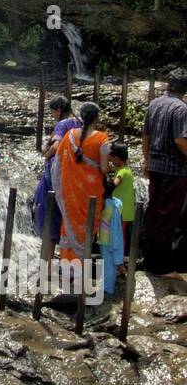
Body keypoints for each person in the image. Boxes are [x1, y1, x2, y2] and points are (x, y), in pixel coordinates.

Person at [51, 101, 110, 265]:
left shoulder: (70, 135)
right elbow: (104, 169)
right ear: (96, 118)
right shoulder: (102, 138)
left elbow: (58, 163)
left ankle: (65, 269)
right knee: (87, 226)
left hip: (71, 190)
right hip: (91, 192)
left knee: (69, 223)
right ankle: (80, 271)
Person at [142, 70, 187, 276]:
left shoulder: (154, 104)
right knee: (167, 217)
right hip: (174, 170)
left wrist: (146, 160)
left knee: (153, 213)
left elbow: (145, 136)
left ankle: (148, 257)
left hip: (155, 167)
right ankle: (160, 266)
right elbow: (180, 140)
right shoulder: (181, 109)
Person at [32, 94, 80, 242]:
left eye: (52, 112)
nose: (52, 116)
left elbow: (57, 144)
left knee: (50, 211)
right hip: (74, 171)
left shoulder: (62, 124)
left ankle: (50, 252)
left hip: (59, 171)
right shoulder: (78, 122)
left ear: (58, 110)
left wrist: (46, 155)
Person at [108, 141, 135, 254]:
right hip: (124, 209)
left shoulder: (122, 172)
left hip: (122, 210)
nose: (111, 161)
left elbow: (113, 185)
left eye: (112, 158)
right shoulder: (126, 170)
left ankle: (119, 261)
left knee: (120, 234)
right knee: (120, 233)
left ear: (117, 157)